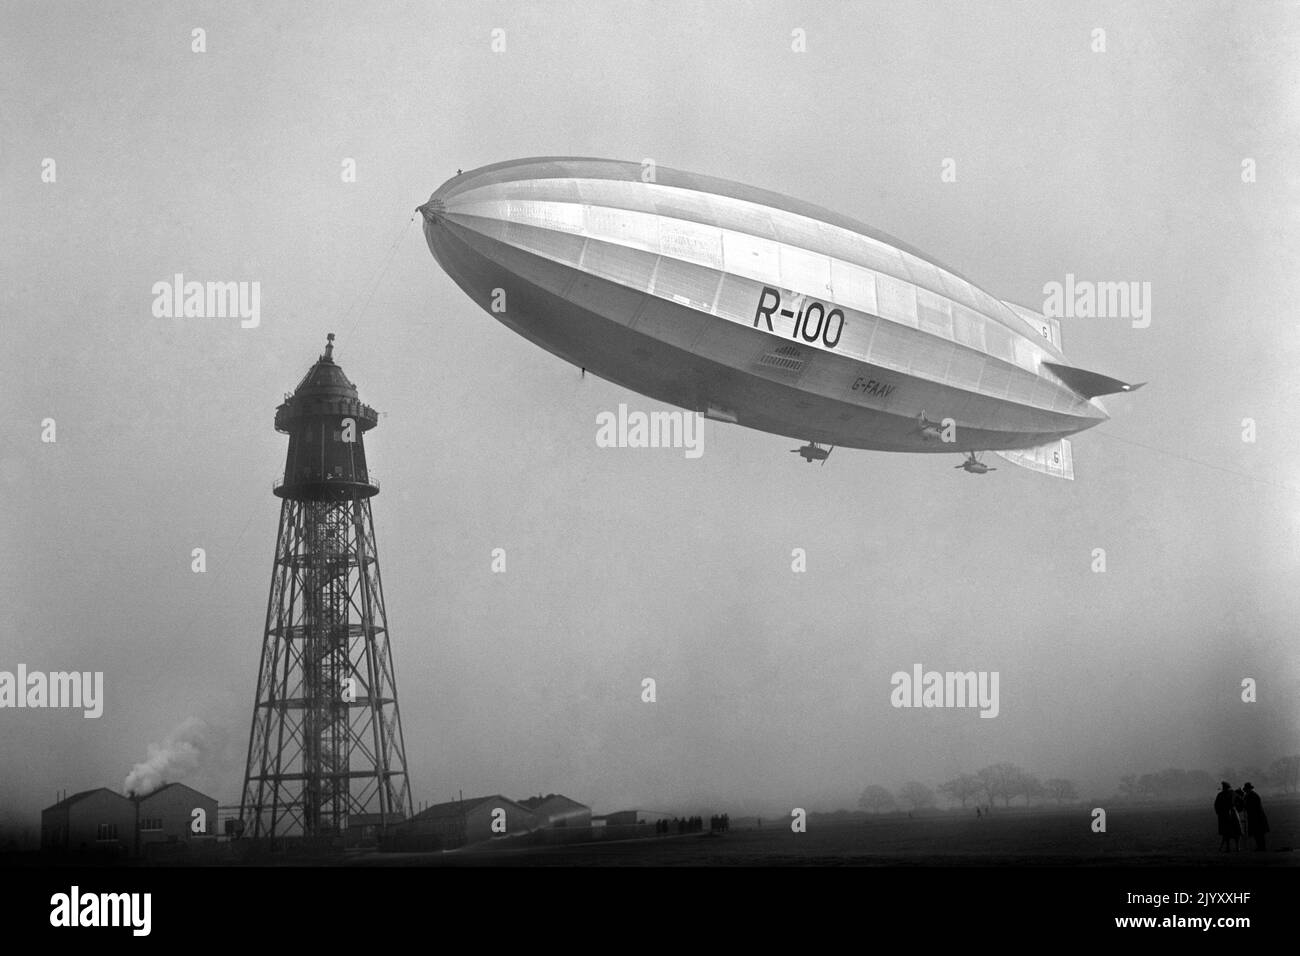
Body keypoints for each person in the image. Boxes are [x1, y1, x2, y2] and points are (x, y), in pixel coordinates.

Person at [1214, 782, 1240, 851]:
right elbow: (1240, 802)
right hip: (1233, 814)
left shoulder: (1220, 795)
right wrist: (1238, 809)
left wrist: (1219, 813)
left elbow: (1216, 805)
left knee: (1226, 832)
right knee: (1236, 831)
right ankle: (1237, 847)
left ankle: (1228, 847)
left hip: (1223, 815)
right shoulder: (1233, 793)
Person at [1243, 783, 1269, 851]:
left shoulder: (1253, 796)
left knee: (1259, 833)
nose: (1246, 791)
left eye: (1246, 789)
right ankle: (1260, 847)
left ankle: (1262, 847)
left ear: (1249, 789)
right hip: (1255, 816)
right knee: (1257, 833)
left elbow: (1251, 806)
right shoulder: (1250, 795)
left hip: (1257, 816)